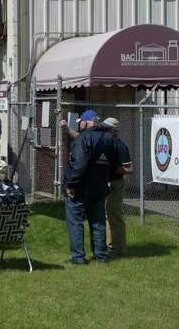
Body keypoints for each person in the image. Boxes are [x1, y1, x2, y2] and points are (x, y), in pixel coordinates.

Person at [65, 109, 120, 264]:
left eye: (80, 122)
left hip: (81, 188)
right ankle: (100, 255)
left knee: (75, 221)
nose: (79, 125)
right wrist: (107, 181)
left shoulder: (83, 138)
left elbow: (79, 164)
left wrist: (71, 184)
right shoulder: (109, 139)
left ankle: (78, 257)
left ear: (85, 122)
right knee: (98, 221)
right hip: (100, 187)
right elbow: (114, 165)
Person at [102, 117, 132, 256]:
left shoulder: (120, 145)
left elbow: (128, 168)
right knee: (106, 216)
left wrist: (112, 168)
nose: (103, 130)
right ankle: (109, 245)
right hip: (103, 183)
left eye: (106, 128)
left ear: (113, 130)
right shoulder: (103, 143)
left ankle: (119, 248)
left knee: (114, 215)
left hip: (115, 183)